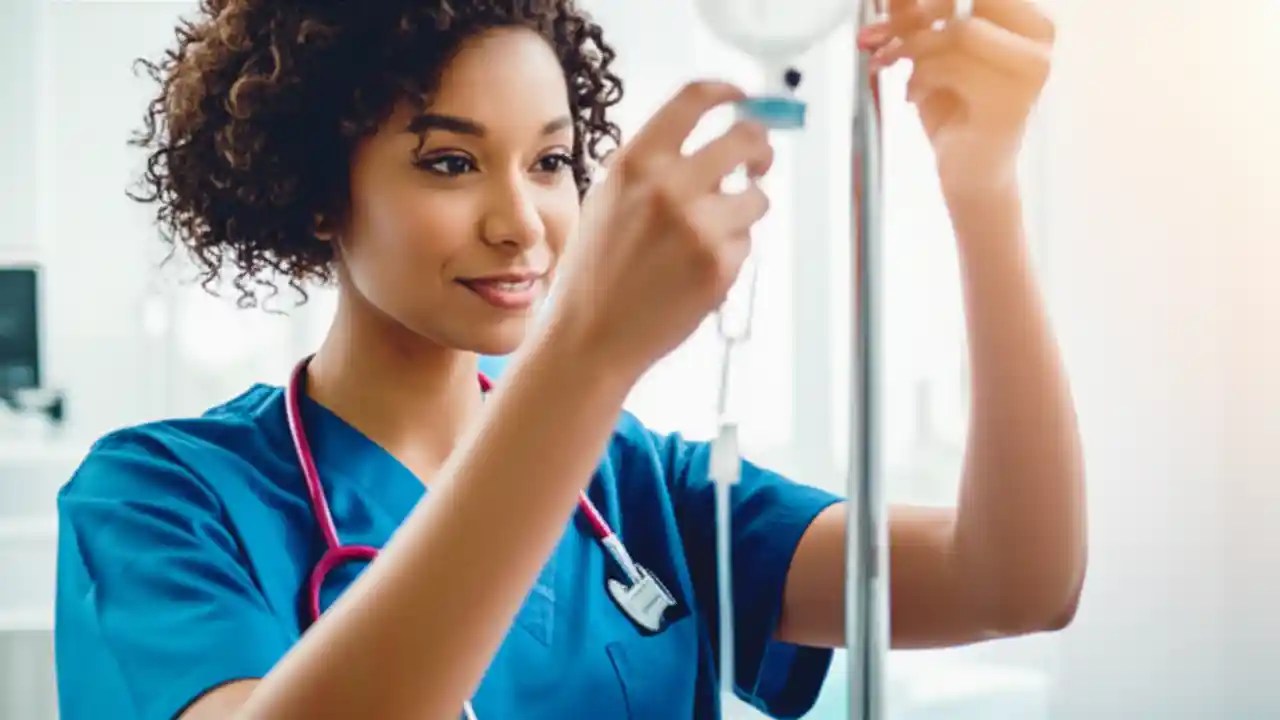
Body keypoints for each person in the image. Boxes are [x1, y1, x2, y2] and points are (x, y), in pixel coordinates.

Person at [53, 1, 1084, 718]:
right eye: (449, 163)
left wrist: (981, 190)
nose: (523, 224)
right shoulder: (161, 499)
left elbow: (1011, 582)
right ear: (319, 189)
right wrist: (587, 355)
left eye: (550, 162)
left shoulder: (631, 487)